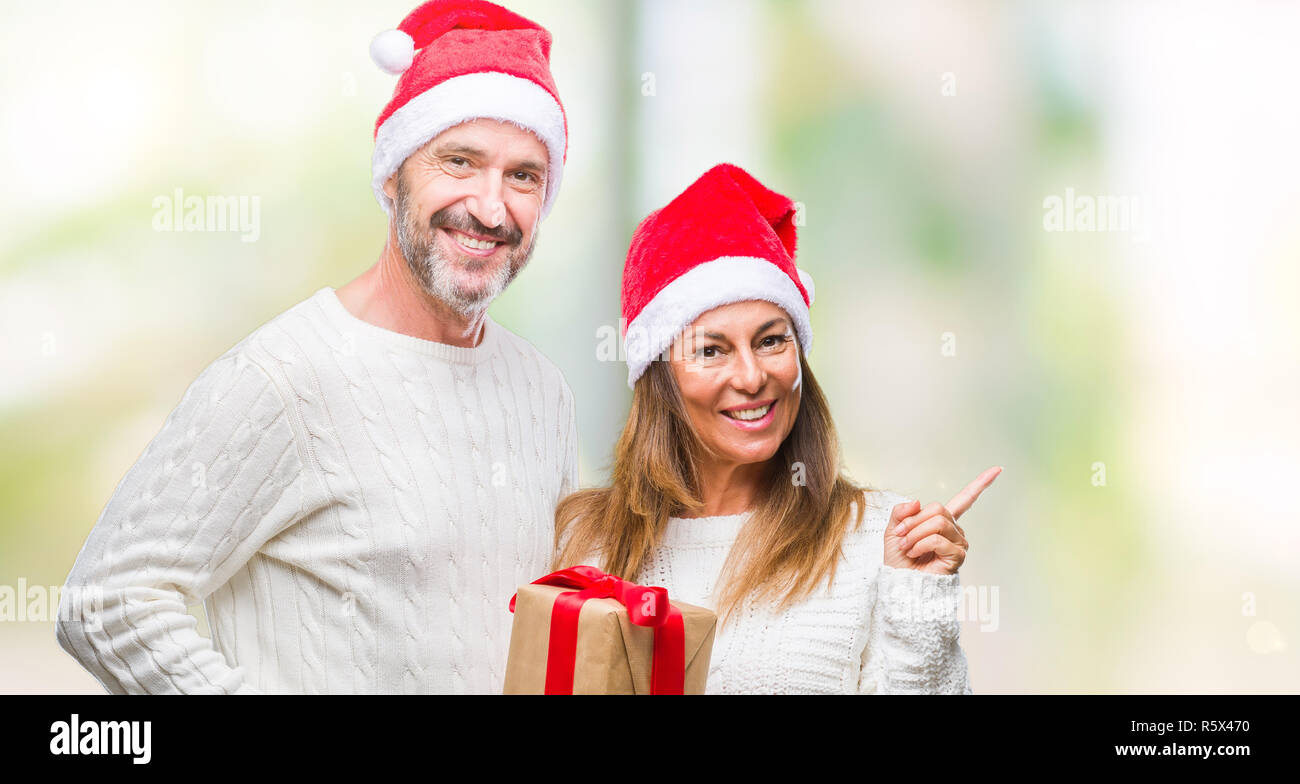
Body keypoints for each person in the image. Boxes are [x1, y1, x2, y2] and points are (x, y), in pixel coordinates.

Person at [56, 0, 577, 694]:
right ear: (393, 176)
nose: (490, 207)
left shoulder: (544, 391)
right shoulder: (280, 378)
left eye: (524, 176)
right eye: (460, 161)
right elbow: (107, 601)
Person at [553, 163, 1000, 694]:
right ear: (660, 378)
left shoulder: (880, 539)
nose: (751, 376)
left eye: (771, 341)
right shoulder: (586, 541)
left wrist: (919, 602)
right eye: (711, 350)